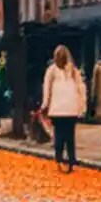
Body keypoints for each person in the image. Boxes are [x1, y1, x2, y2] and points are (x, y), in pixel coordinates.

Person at [41, 45, 86, 173]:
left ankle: (59, 157)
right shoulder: (73, 71)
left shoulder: (51, 70)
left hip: (57, 109)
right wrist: (82, 106)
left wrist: (45, 104)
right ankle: (72, 158)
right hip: (71, 108)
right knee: (70, 135)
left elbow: (47, 89)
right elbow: (81, 88)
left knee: (58, 134)